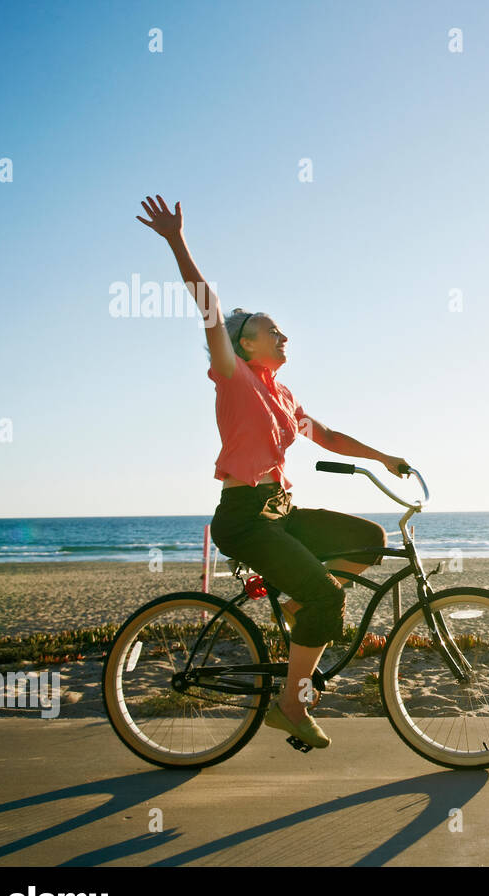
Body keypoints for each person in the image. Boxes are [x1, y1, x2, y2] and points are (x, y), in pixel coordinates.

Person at [136, 194, 409, 750]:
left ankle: (291, 601)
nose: (284, 336)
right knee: (329, 600)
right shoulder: (232, 376)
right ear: (245, 342)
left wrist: (383, 457)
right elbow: (209, 307)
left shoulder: (280, 393)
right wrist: (175, 240)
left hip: (279, 515)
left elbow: (325, 436)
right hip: (245, 517)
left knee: (370, 539)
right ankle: (290, 705)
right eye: (272, 330)